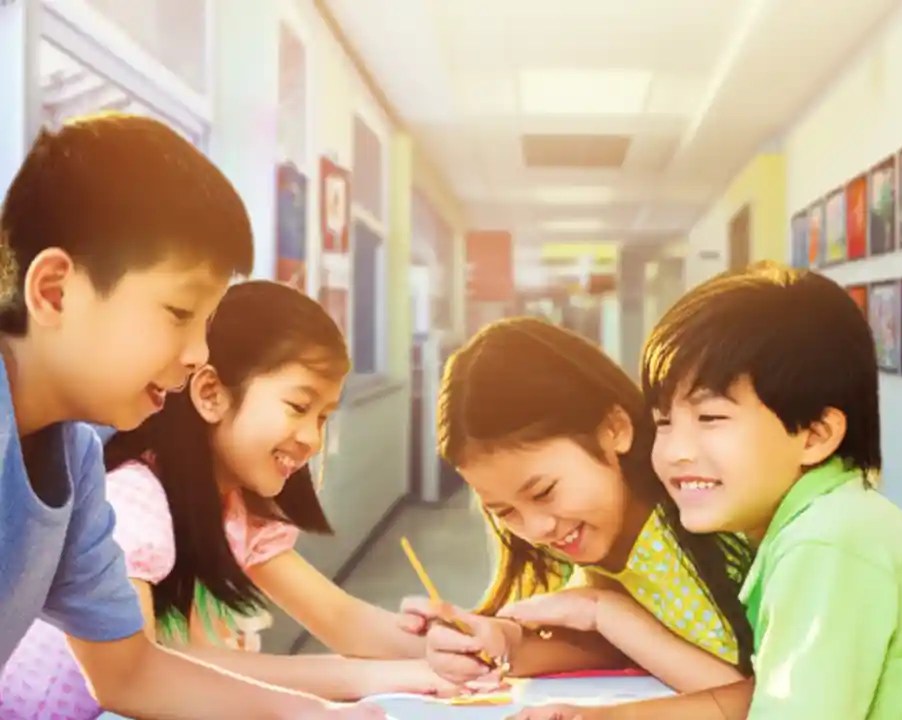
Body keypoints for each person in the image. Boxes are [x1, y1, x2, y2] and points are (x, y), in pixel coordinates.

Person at [514, 261, 902, 719]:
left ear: (815, 434)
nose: (675, 450)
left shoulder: (827, 543)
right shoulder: (819, 525)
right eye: (665, 422)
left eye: (711, 417)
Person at [0, 113, 380, 718]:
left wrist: (310, 714)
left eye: (205, 324)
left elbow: (130, 672)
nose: (199, 355)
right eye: (178, 313)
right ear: (54, 291)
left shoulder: (73, 457)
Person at [2, 281, 455, 718]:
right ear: (210, 393)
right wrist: (357, 677)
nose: (313, 439)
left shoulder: (235, 513)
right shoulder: (137, 500)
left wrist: (444, 649)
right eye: (299, 407)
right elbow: (154, 669)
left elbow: (341, 617)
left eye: (323, 417)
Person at [401, 317, 753, 694]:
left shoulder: (714, 521)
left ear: (614, 430)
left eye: (544, 492)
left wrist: (606, 612)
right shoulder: (585, 549)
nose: (536, 529)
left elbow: (747, 699)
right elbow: (599, 648)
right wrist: (496, 640)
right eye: (504, 512)